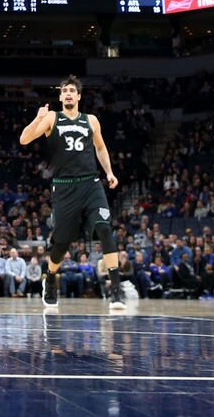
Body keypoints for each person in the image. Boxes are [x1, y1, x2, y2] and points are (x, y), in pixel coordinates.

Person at [18, 76, 138, 315]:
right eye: (65, 91)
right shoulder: (52, 118)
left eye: (72, 90)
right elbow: (24, 139)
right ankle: (50, 278)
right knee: (61, 242)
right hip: (64, 187)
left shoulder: (91, 120)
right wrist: (38, 118)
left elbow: (100, 147)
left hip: (91, 184)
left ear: (79, 96)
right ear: (60, 96)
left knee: (104, 228)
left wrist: (109, 172)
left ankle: (116, 289)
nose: (69, 93)